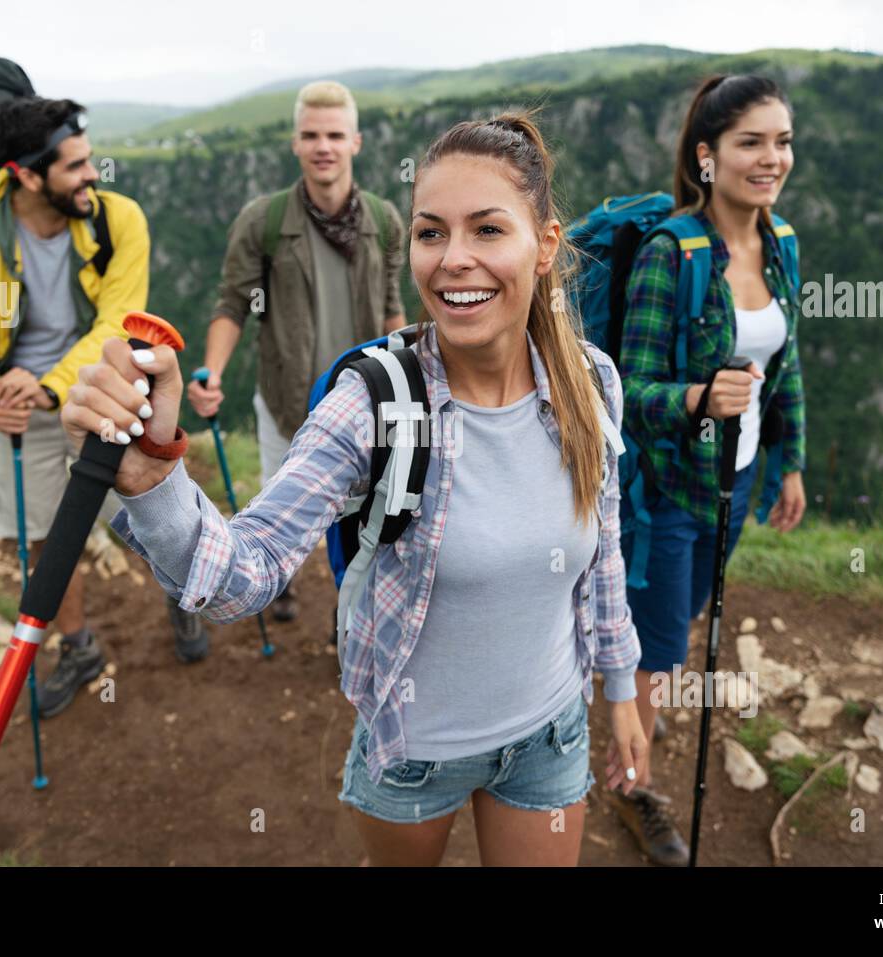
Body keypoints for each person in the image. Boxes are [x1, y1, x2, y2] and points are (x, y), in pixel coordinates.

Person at [64, 111, 648, 866]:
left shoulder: (591, 380)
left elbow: (603, 550)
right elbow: (244, 575)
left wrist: (622, 685)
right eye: (431, 233)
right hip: (412, 746)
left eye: (488, 230)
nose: (453, 259)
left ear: (545, 246)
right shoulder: (372, 401)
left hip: (553, 729)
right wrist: (153, 478)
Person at [0, 96, 210, 719]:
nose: (92, 176)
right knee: (45, 538)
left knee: (145, 506)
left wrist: (53, 385)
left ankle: (182, 597)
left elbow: (118, 321)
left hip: (100, 387)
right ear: (24, 173)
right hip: (14, 404)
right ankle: (77, 647)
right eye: (75, 167)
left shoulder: (118, 220)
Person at [617, 74, 808, 864]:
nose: (772, 159)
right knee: (659, 648)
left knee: (678, 623)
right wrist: (697, 394)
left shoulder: (784, 243)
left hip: (731, 490)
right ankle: (631, 785)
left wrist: (789, 460)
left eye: (784, 141)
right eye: (752, 142)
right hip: (668, 492)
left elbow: (787, 361)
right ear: (708, 155)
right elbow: (625, 390)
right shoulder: (673, 253)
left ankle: (631, 722)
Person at [187, 80, 406, 628]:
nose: (322, 146)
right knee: (280, 503)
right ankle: (272, 582)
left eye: (334, 134)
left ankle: (350, 609)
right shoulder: (263, 222)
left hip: (364, 399)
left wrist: (415, 376)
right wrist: (210, 373)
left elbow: (391, 309)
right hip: (286, 399)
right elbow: (233, 303)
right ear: (295, 144)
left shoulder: (385, 223)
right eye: (311, 135)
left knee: (365, 510)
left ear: (356, 142)